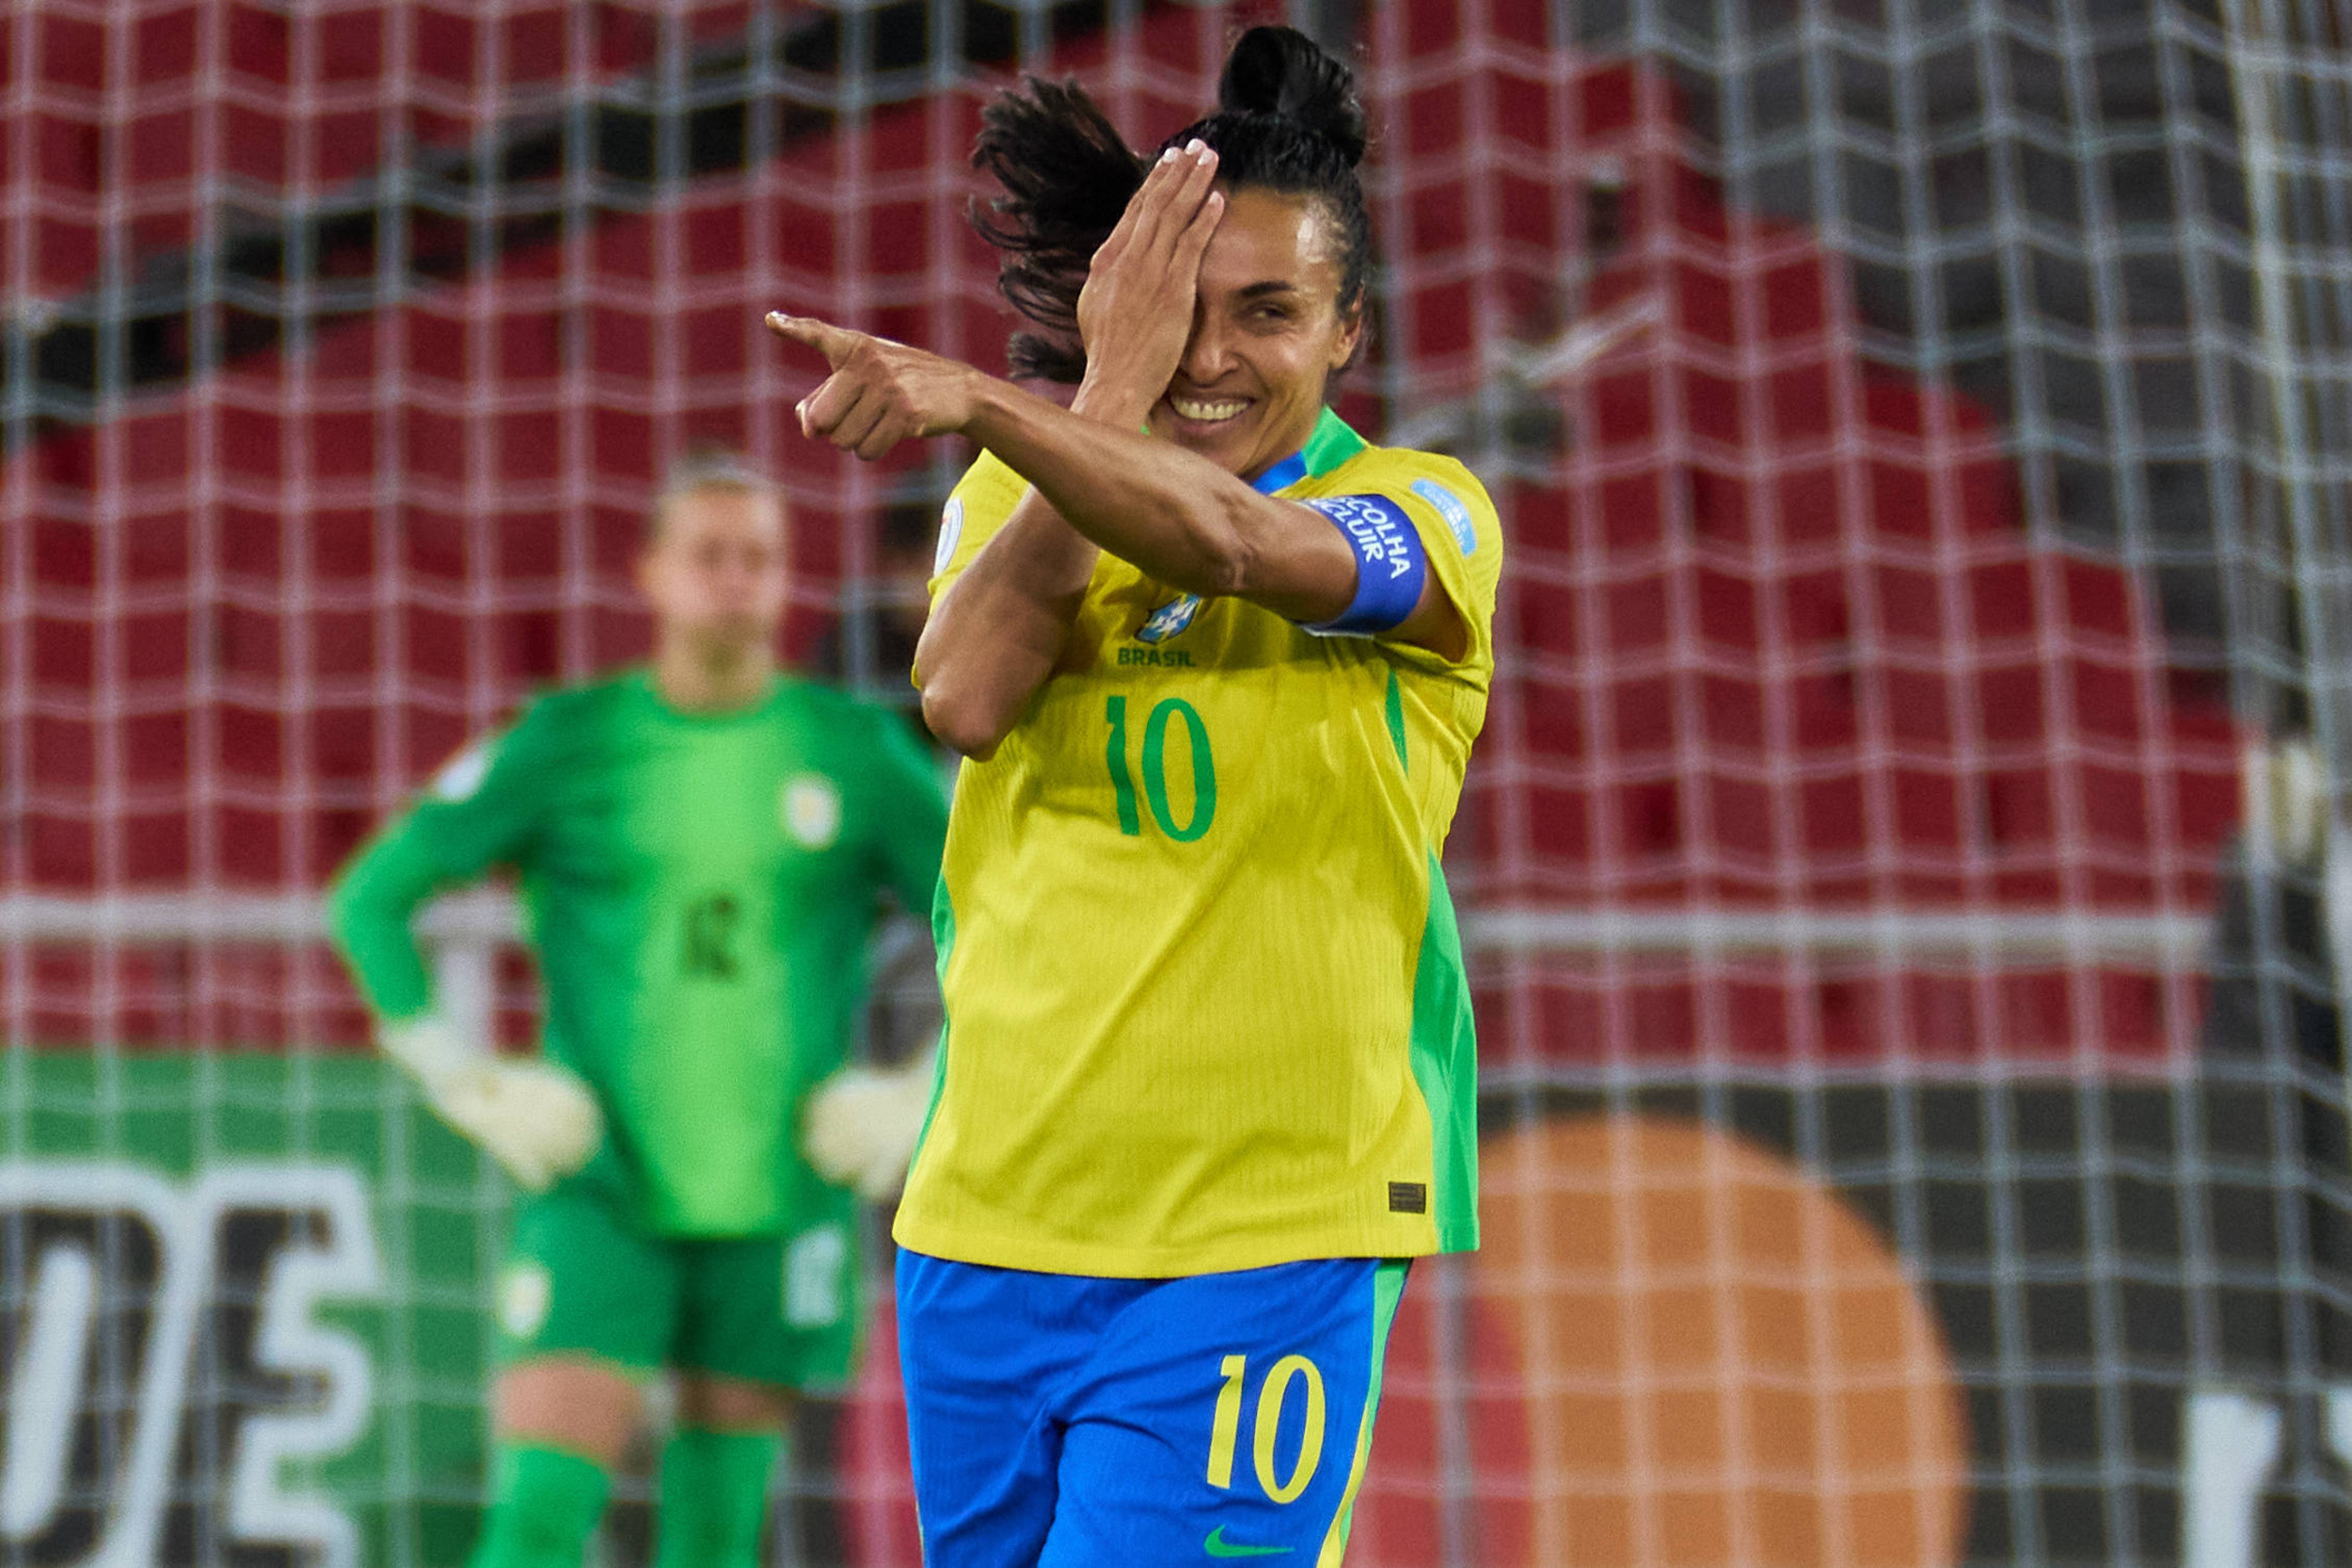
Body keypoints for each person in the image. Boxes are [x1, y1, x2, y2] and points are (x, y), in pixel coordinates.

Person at [767, 26, 1502, 1564]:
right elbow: (963, 698)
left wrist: (994, 398)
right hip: (987, 1222)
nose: (1216, 357)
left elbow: (1235, 547)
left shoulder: (1422, 515)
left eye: (1271, 313)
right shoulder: (1019, 492)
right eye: (1188, 310)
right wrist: (1100, 391)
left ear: (1348, 329)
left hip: (1262, 1234)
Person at [326, 450, 946, 1568]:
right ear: (650, 573)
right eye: (707, 553)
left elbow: (1006, 919)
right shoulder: (572, 740)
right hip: (600, 1189)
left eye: (757, 555)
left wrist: (921, 1089)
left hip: (781, 1194)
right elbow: (372, 898)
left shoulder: (853, 752)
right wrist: (463, 1073)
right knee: (532, 1529)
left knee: (713, 1544)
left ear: (788, 577)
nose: (733, 578)